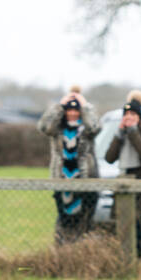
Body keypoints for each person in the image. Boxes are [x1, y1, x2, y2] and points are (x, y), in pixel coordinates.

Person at [37, 87, 101, 244]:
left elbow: (95, 127)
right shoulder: (57, 130)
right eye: (69, 110)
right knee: (64, 223)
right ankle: (62, 256)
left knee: (84, 223)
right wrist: (59, 105)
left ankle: (81, 255)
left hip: (86, 181)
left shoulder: (86, 131)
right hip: (62, 182)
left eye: (76, 110)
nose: (72, 113)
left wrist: (85, 105)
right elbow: (44, 127)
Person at [104, 89, 141, 257]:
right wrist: (120, 134)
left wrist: (134, 131)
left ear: (139, 117)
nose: (129, 117)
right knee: (124, 229)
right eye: (126, 114)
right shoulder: (121, 136)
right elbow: (109, 157)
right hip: (123, 188)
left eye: (133, 114)